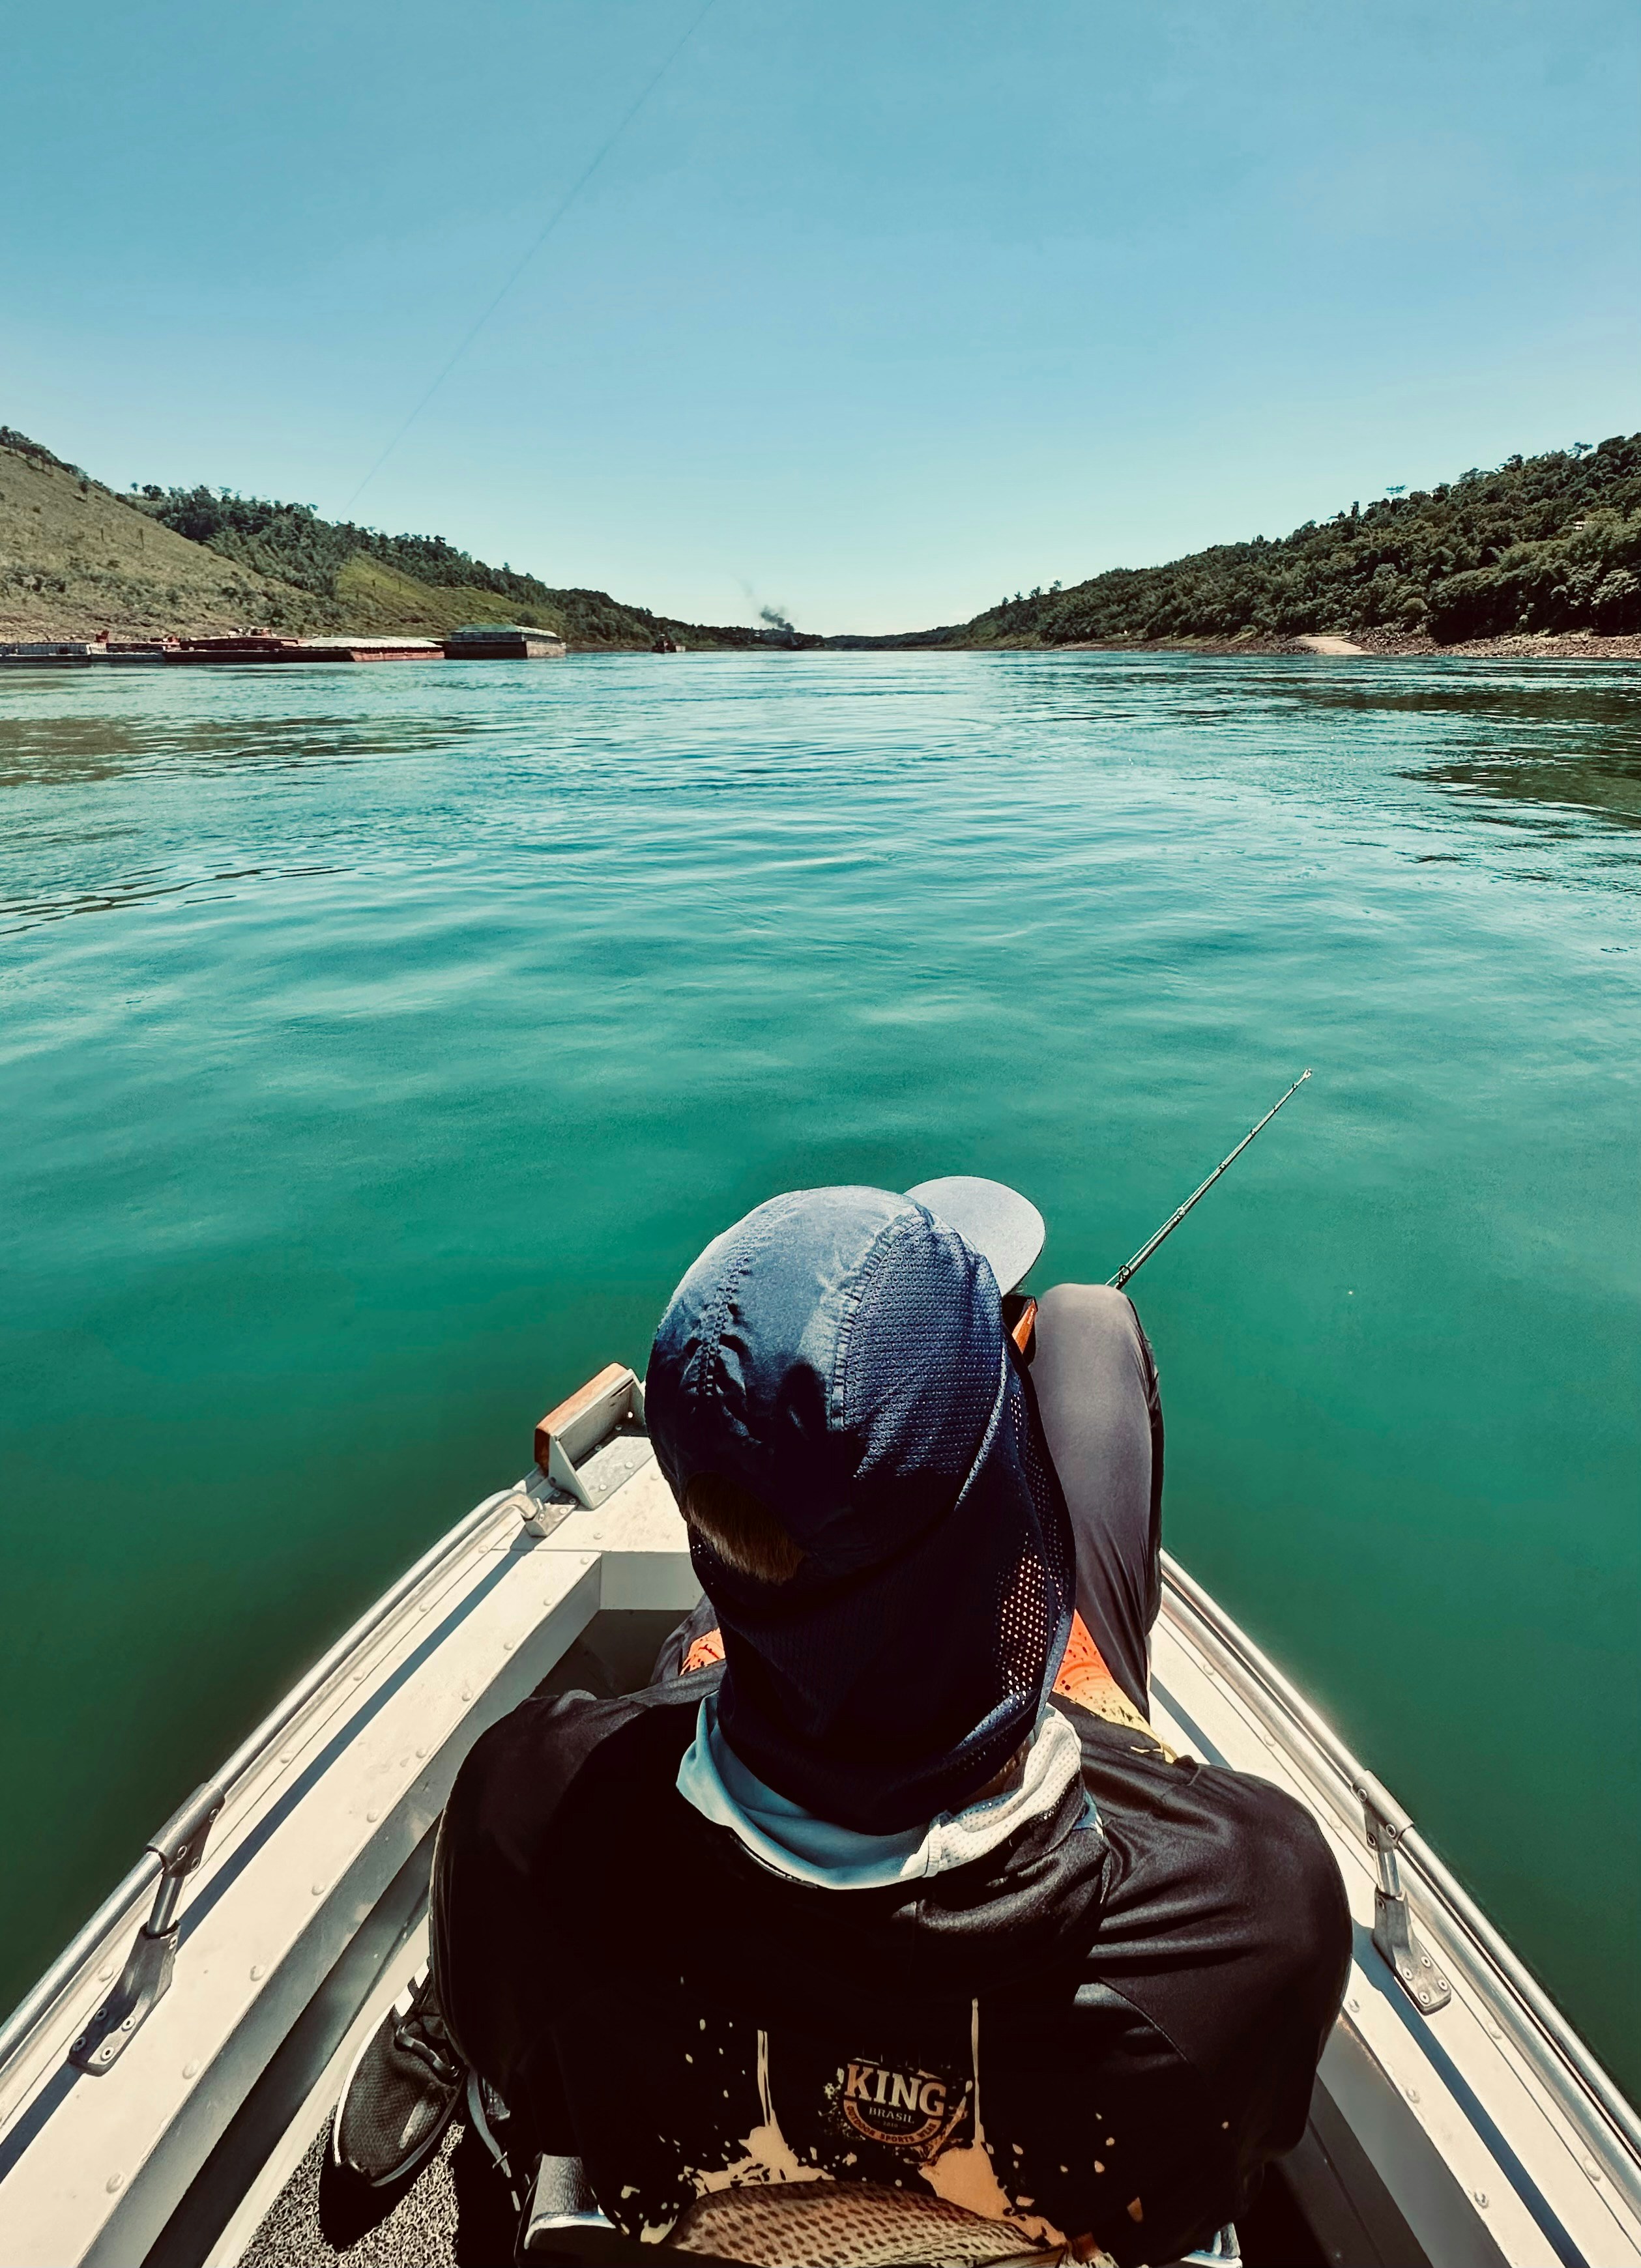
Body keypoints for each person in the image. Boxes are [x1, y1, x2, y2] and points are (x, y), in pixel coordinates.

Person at [333, 1182, 1350, 2266]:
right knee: (1091, 1320)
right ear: (1019, 1504)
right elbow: (1216, 2176)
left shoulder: (523, 1812)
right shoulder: (1247, 1905)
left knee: (703, 1644)